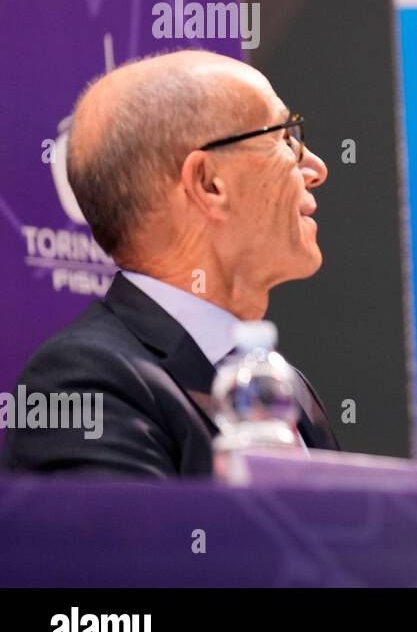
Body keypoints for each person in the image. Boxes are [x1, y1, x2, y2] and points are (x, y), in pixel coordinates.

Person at [2, 50, 338, 476]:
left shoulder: (286, 388)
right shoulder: (86, 384)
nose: (315, 167)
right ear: (208, 183)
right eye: (285, 139)